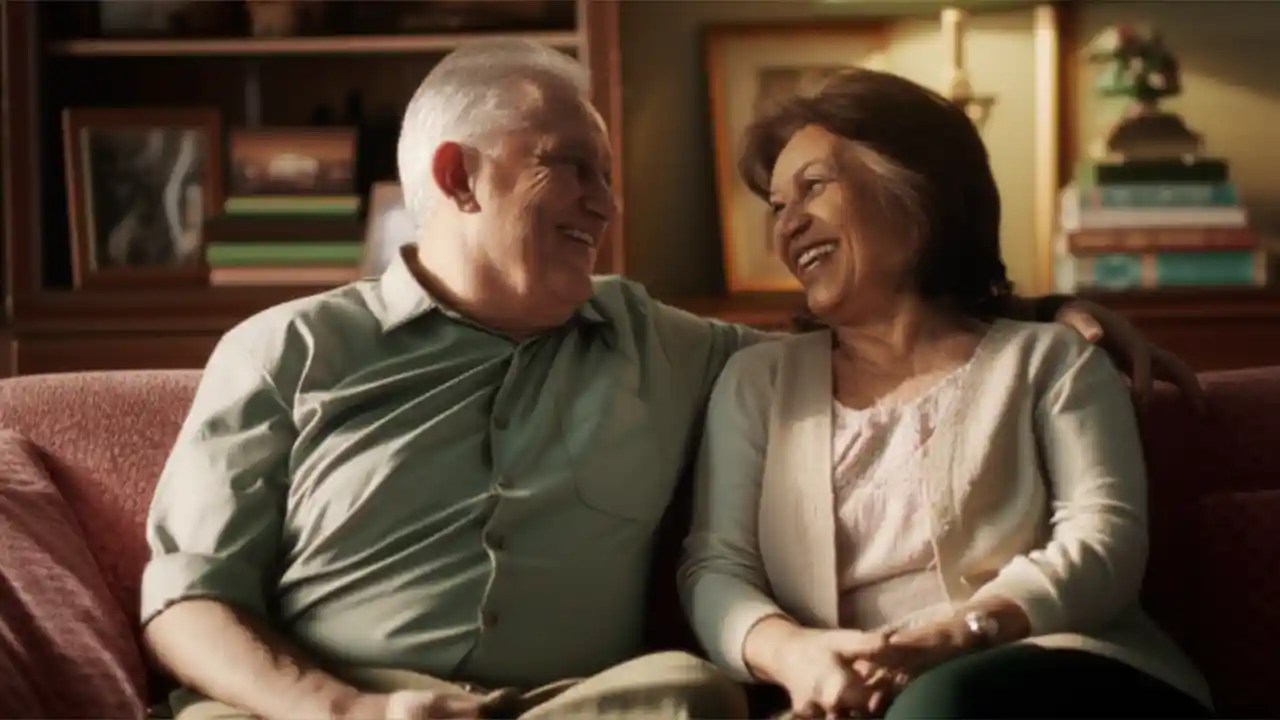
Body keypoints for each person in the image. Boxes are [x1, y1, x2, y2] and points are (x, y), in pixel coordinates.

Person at [141, 41, 1199, 720]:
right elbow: (186, 601)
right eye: (572, 166)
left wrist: (1047, 308)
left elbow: (895, 342)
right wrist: (349, 713)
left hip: (569, 708)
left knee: (692, 696)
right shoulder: (285, 350)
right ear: (458, 177)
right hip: (318, 704)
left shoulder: (667, 343)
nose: (607, 205)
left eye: (607, 176)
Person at [678, 69, 1213, 720]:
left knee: (939, 701)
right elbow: (717, 568)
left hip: (1061, 674)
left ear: (916, 188)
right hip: (853, 698)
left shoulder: (1052, 360)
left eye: (813, 187)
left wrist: (957, 634)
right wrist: (797, 656)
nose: (788, 225)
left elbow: (1105, 543)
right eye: (777, 206)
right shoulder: (757, 383)